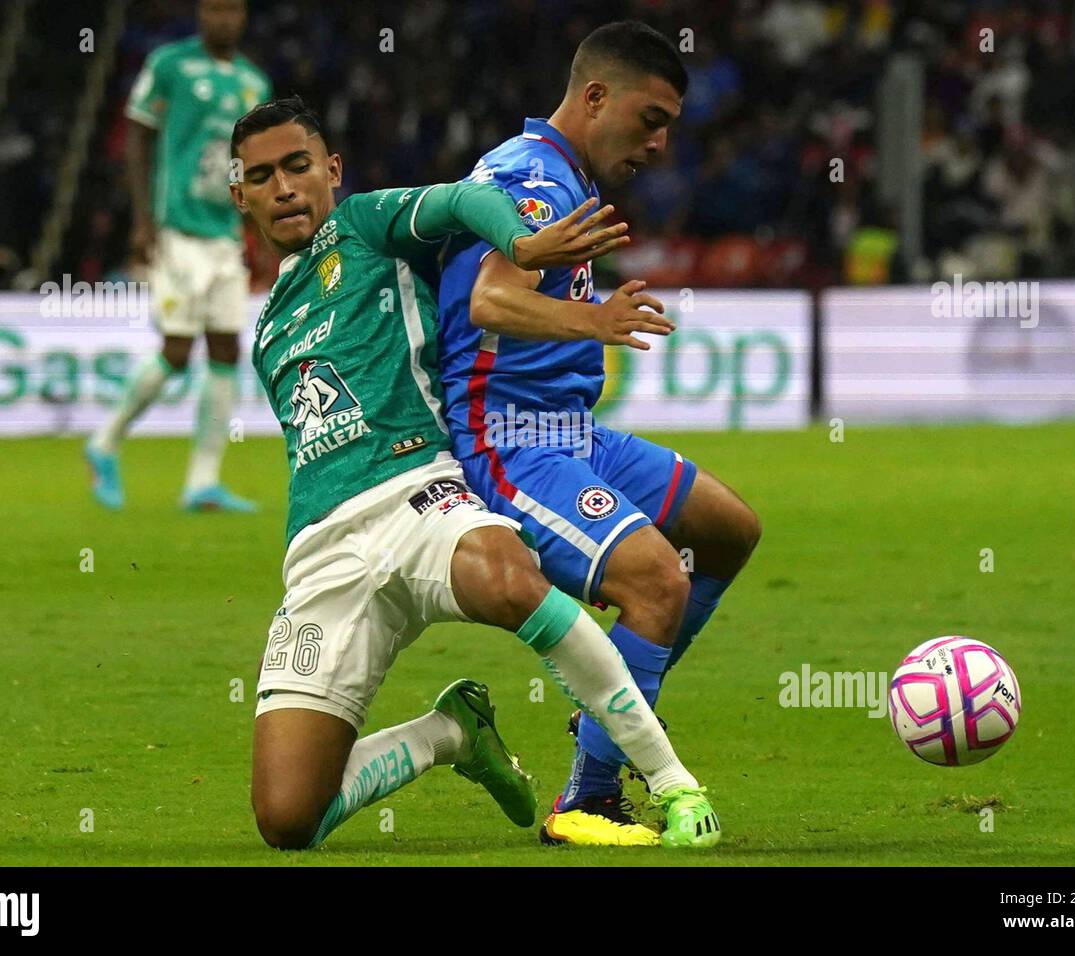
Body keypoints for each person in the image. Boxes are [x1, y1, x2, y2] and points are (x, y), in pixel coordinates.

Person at [230, 96, 721, 850]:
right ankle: (450, 735)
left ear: (331, 169)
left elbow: (466, 199)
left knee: (509, 577)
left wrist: (521, 247)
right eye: (262, 177)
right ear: (241, 196)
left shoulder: (366, 225)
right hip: (323, 553)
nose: (284, 187)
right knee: (288, 818)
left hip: (418, 494)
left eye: (298, 166)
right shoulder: (267, 326)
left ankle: (673, 784)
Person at [438, 21, 762, 846]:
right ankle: (588, 796)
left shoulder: (560, 175)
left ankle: (601, 722)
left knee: (726, 531)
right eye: (649, 120)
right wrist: (596, 317)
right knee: (657, 584)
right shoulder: (532, 182)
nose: (659, 144)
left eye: (669, 128)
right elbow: (491, 301)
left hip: (574, 432)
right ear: (594, 97)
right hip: (508, 442)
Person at [86, 0, 269, 512]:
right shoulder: (170, 64)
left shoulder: (255, 83)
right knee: (177, 350)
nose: (225, 19)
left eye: (234, 10)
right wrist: (143, 220)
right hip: (178, 231)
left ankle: (202, 482)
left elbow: (255, 167)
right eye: (215, 9)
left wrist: (257, 236)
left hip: (225, 237)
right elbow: (137, 138)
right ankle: (103, 442)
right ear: (200, 13)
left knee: (227, 349)